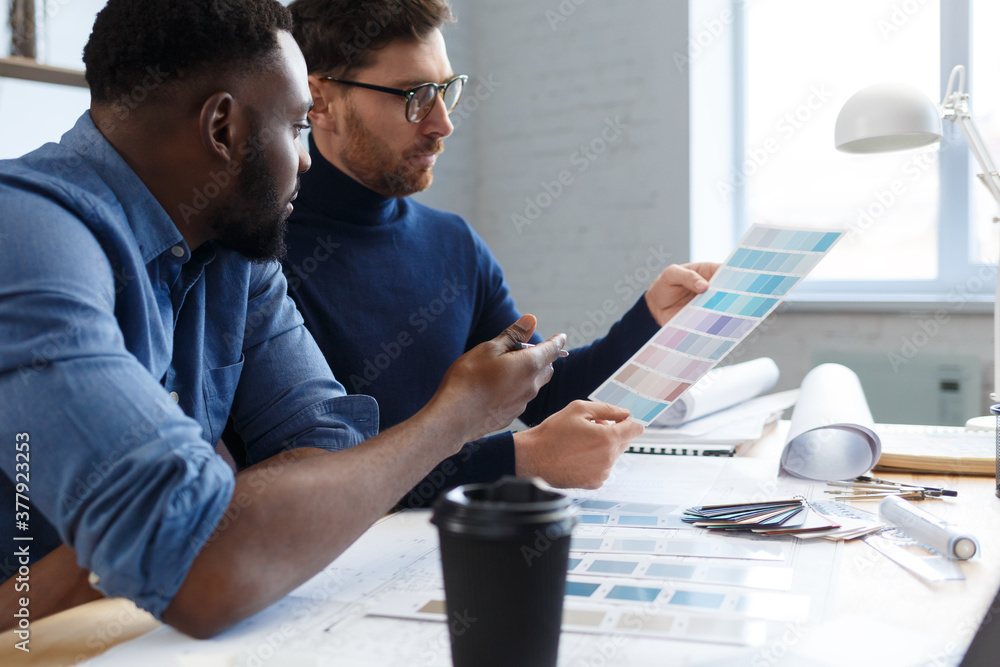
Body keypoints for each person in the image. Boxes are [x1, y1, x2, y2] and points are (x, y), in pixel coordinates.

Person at [0, 0, 567, 639]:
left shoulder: (234, 246)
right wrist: (453, 417)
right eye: (297, 127)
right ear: (223, 129)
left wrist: (202, 512)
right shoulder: (23, 237)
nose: (304, 160)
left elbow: (334, 451)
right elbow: (201, 576)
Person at [278, 0, 718, 504]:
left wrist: (653, 320)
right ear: (320, 101)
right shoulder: (262, 259)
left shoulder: (453, 244)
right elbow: (319, 476)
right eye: (416, 95)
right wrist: (516, 458)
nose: (442, 123)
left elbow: (546, 394)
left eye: (446, 91)